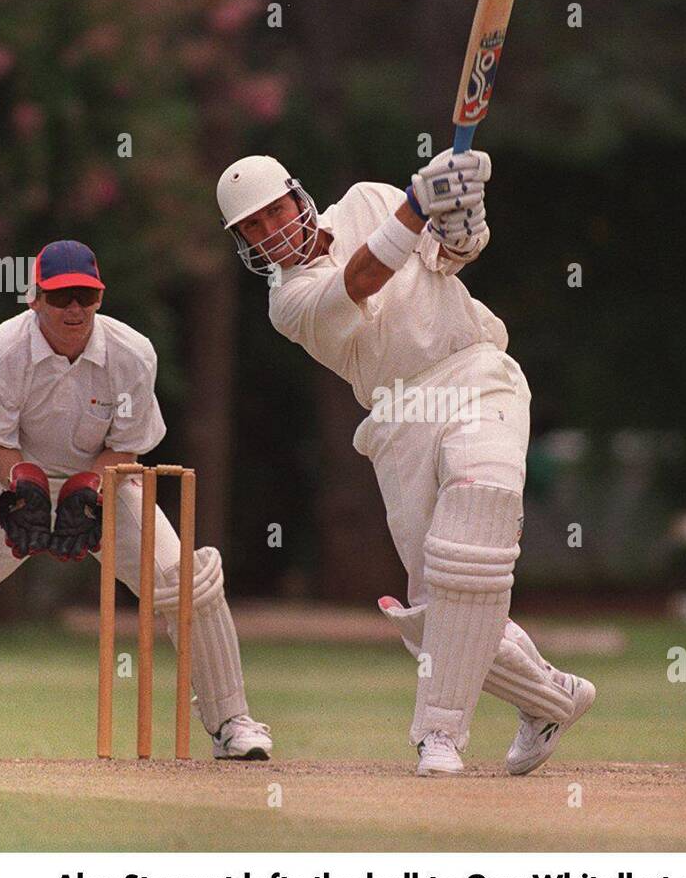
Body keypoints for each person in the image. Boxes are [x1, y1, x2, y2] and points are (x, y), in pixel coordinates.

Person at [216, 151, 595, 776]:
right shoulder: (289, 302)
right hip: (397, 418)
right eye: (250, 229)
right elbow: (362, 278)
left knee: (476, 531)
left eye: (273, 212)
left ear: (298, 195)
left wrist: (461, 220)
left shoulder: (368, 197)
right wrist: (419, 206)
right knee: (433, 613)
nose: (269, 233)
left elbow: (451, 256)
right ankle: (551, 699)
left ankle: (439, 735)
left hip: (475, 374)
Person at [0, 240, 272, 761]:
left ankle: (232, 722)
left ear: (100, 297)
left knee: (186, 583)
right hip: (13, 480)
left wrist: (90, 485)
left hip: (110, 481)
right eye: (62, 296)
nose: (74, 309)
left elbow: (129, 442)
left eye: (85, 297)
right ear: (35, 298)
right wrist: (24, 482)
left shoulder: (131, 352)